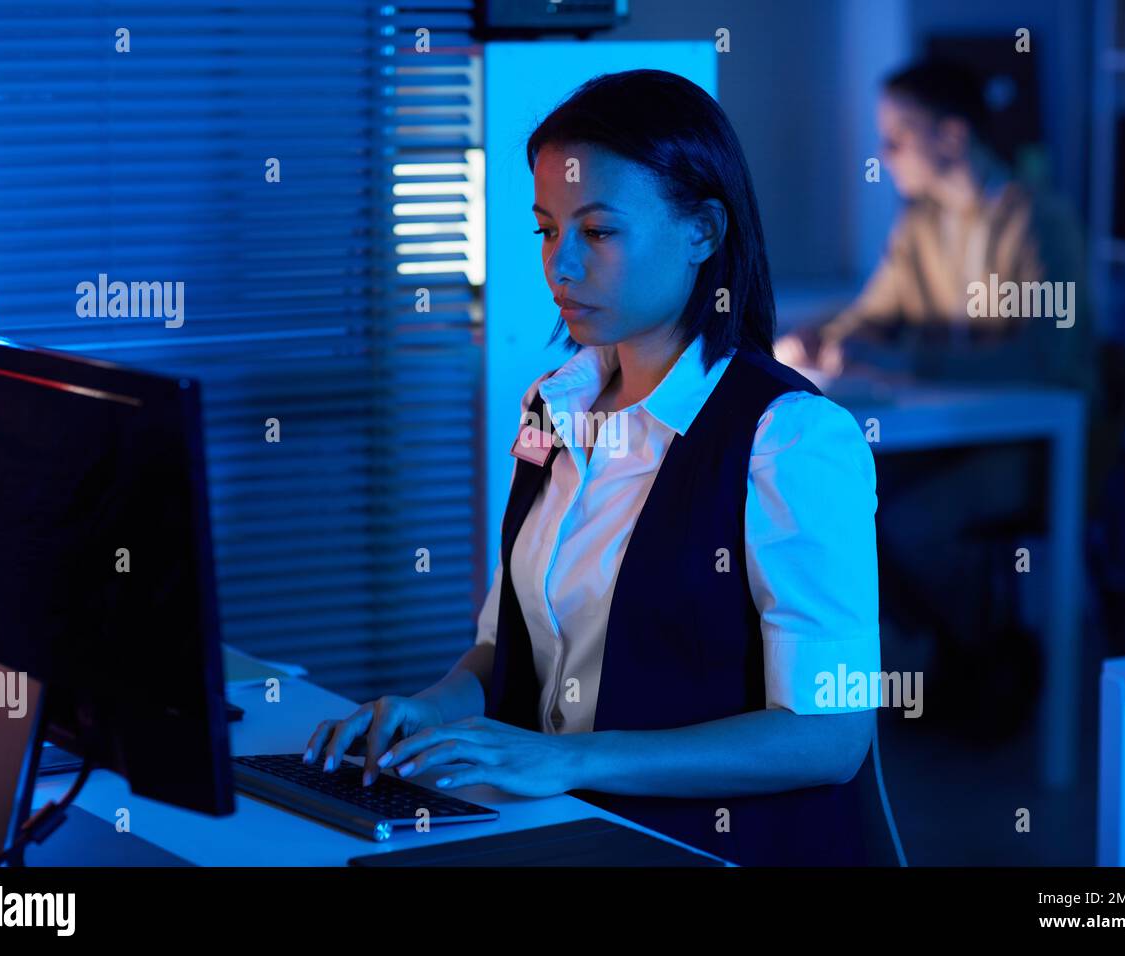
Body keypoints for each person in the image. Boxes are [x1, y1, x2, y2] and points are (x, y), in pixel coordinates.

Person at [303, 69, 887, 866]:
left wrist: (568, 760)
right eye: (546, 230)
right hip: (561, 829)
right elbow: (507, 644)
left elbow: (828, 736)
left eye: (599, 232)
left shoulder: (791, 439)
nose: (561, 268)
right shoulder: (556, 404)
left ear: (703, 232)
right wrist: (427, 710)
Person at [776, 58, 1095, 740]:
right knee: (840, 499)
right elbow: (877, 311)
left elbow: (1044, 357)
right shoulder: (920, 225)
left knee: (910, 520)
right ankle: (947, 659)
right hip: (947, 440)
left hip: (1023, 448)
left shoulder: (1038, 221)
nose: (884, 156)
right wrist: (828, 335)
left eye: (896, 138)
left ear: (951, 137)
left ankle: (970, 660)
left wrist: (906, 355)